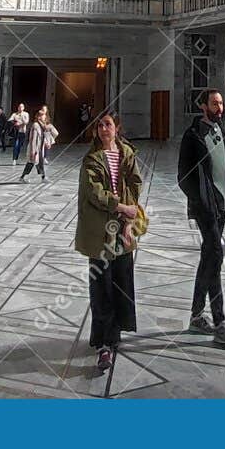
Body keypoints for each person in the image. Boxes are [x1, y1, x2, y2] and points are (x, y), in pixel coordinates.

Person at [76, 112, 144, 373]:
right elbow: (94, 193)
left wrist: (129, 218)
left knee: (122, 281)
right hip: (100, 230)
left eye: (108, 124)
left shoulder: (127, 153)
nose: (104, 129)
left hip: (123, 228)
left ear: (118, 127)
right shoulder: (91, 159)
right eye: (100, 125)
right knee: (101, 285)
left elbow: (135, 184)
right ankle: (104, 342)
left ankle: (114, 335)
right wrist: (121, 207)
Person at [176, 89, 225, 344]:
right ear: (203, 106)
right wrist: (203, 201)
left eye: (221, 103)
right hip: (207, 208)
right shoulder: (193, 136)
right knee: (215, 256)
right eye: (215, 103)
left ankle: (196, 316)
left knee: (208, 257)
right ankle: (220, 321)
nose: (220, 107)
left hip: (222, 207)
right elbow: (183, 176)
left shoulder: (219, 130)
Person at [20, 106, 57, 181]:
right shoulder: (35, 125)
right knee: (31, 163)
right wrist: (33, 152)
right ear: (39, 117)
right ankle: (22, 177)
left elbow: (44, 136)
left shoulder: (42, 126)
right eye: (43, 115)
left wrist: (47, 143)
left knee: (40, 163)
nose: (45, 117)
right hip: (34, 148)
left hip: (40, 147)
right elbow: (33, 139)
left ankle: (43, 177)